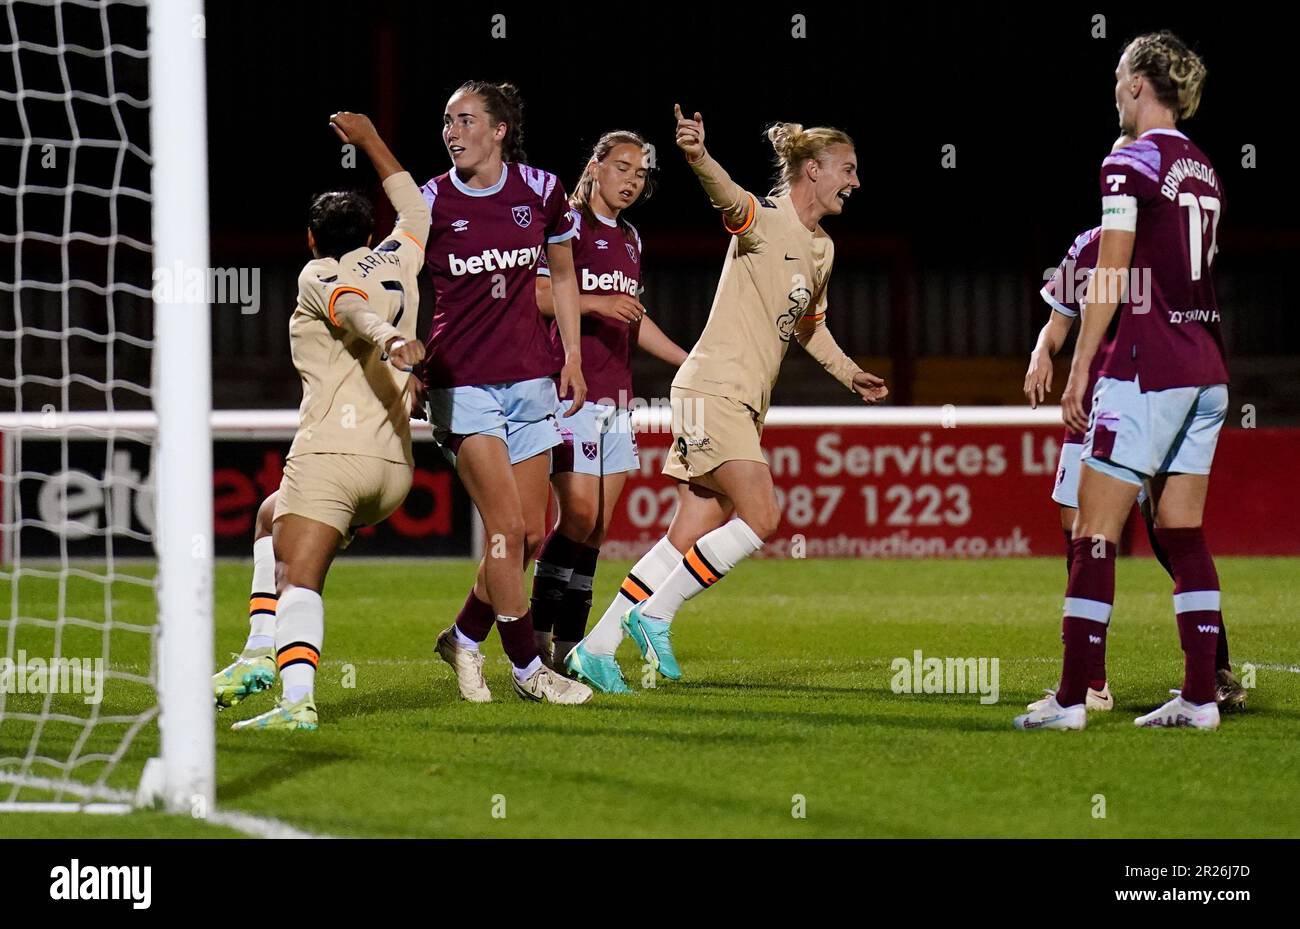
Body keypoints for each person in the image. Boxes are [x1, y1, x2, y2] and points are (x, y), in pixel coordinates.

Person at [569, 106, 887, 693]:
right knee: (763, 516)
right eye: (848, 168)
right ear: (812, 170)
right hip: (713, 391)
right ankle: (657, 614)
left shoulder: (823, 250)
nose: (856, 181)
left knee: (683, 539)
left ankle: (596, 647)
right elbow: (725, 194)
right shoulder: (763, 221)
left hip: (734, 400)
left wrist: (850, 375)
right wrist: (695, 156)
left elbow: (809, 327)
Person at [1015, 32, 1230, 731]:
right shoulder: (1201, 167)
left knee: (1095, 533)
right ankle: (1202, 696)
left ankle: (1074, 698)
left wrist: (1081, 366)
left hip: (1147, 369)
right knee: (1183, 532)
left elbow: (1109, 273)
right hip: (1207, 369)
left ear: (1139, 81)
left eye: (1117, 76)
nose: (1114, 90)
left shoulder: (1128, 159)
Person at [231, 112, 427, 731]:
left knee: (297, 578)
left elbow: (350, 310)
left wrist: (392, 338)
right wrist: (371, 141)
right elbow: (415, 209)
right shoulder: (398, 260)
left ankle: (296, 703)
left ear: (311, 239)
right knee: (270, 514)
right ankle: (257, 653)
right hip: (393, 469)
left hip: (333, 457)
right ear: (371, 233)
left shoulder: (317, 273)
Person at [420, 81, 593, 704]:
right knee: (504, 526)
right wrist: (401, 355)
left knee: (525, 536)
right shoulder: (430, 201)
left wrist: (572, 357)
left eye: (465, 120)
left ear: (498, 130)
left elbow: (565, 274)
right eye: (446, 121)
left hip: (530, 378)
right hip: (463, 383)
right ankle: (527, 669)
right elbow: (401, 282)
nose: (452, 131)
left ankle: (466, 638)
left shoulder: (541, 191)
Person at [527, 130, 688, 675]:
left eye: (641, 174)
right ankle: (537, 638)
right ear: (595, 166)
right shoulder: (565, 226)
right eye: (622, 168)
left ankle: (574, 648)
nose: (632, 182)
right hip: (571, 394)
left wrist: (689, 361)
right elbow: (540, 296)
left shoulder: (631, 238)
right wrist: (597, 302)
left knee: (597, 530)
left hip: (619, 400)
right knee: (577, 515)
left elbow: (634, 321)